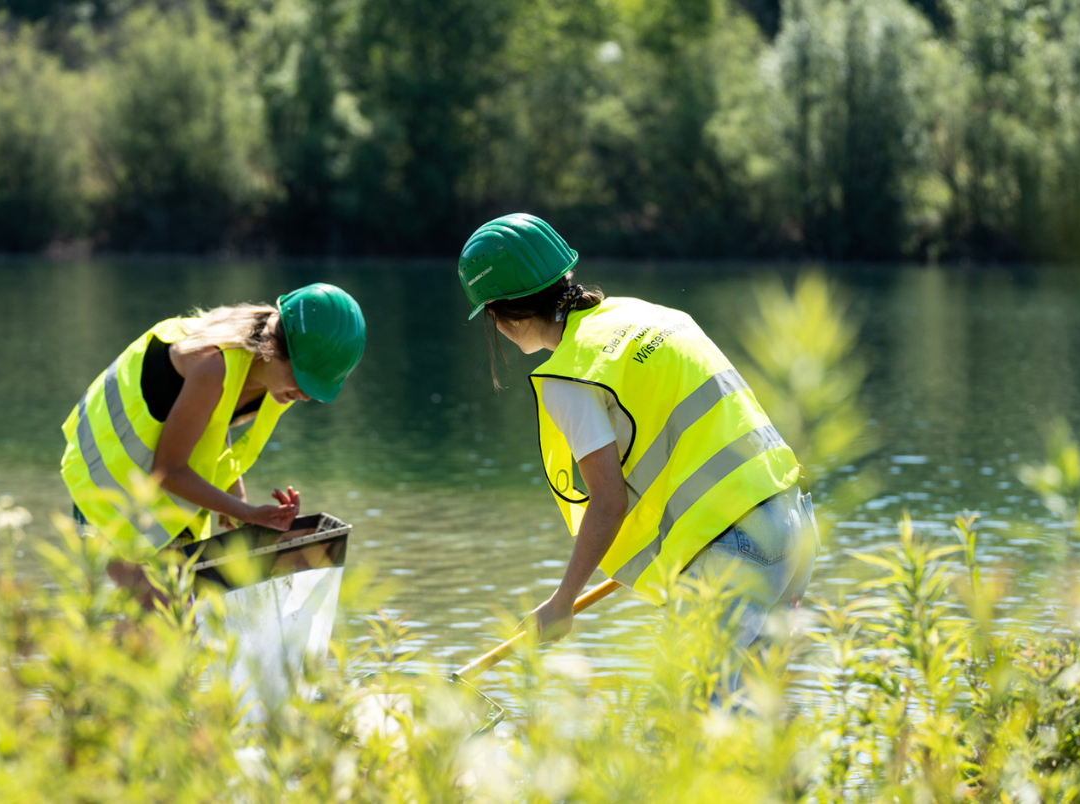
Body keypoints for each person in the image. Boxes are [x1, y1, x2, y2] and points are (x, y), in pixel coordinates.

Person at [456, 213, 817, 698]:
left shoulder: (573, 373)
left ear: (503, 315)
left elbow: (608, 502)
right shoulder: (647, 315)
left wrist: (562, 601)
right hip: (792, 525)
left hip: (734, 551)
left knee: (693, 730)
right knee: (750, 732)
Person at [60, 283, 366, 600]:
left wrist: (242, 507)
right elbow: (169, 471)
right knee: (167, 620)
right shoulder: (212, 364)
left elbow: (214, 422)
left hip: (153, 497)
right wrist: (247, 513)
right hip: (104, 492)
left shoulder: (267, 373)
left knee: (182, 618)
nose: (304, 395)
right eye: (303, 379)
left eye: (315, 389)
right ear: (274, 347)